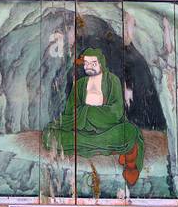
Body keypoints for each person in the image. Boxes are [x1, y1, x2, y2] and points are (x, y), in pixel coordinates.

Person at [43, 47, 145, 185]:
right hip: (81, 128)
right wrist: (83, 115)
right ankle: (111, 146)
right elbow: (69, 112)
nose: (89, 66)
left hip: (107, 129)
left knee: (129, 132)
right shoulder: (79, 85)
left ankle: (127, 159)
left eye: (93, 63)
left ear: (101, 63)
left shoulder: (112, 81)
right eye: (86, 63)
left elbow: (116, 111)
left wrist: (89, 113)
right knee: (50, 135)